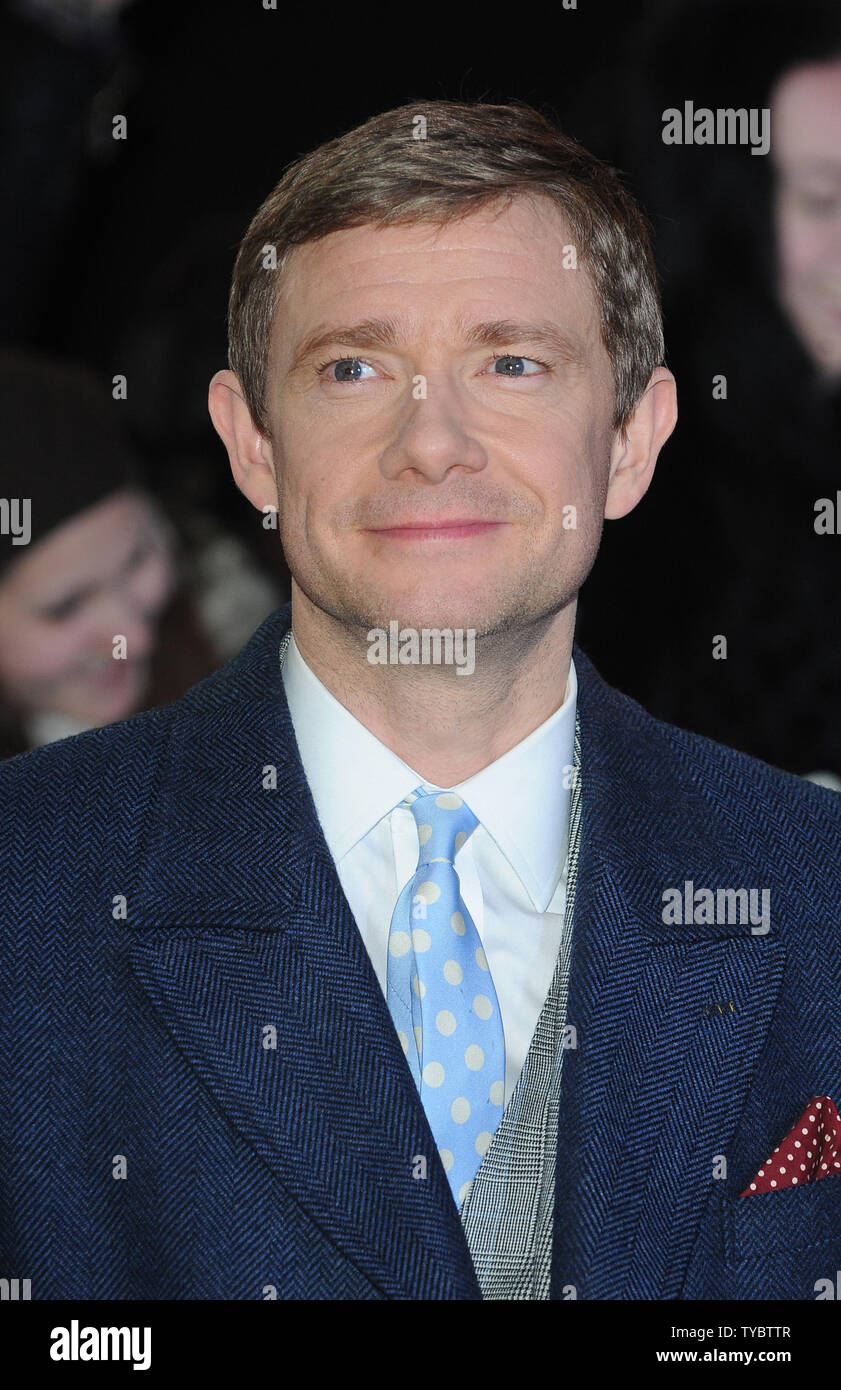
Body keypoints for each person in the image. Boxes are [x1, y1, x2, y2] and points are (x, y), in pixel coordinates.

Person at [1, 101, 839, 1302]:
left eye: (511, 362)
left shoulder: (815, 890)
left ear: (630, 442)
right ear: (253, 445)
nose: (432, 440)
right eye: (354, 367)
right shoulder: (23, 887)